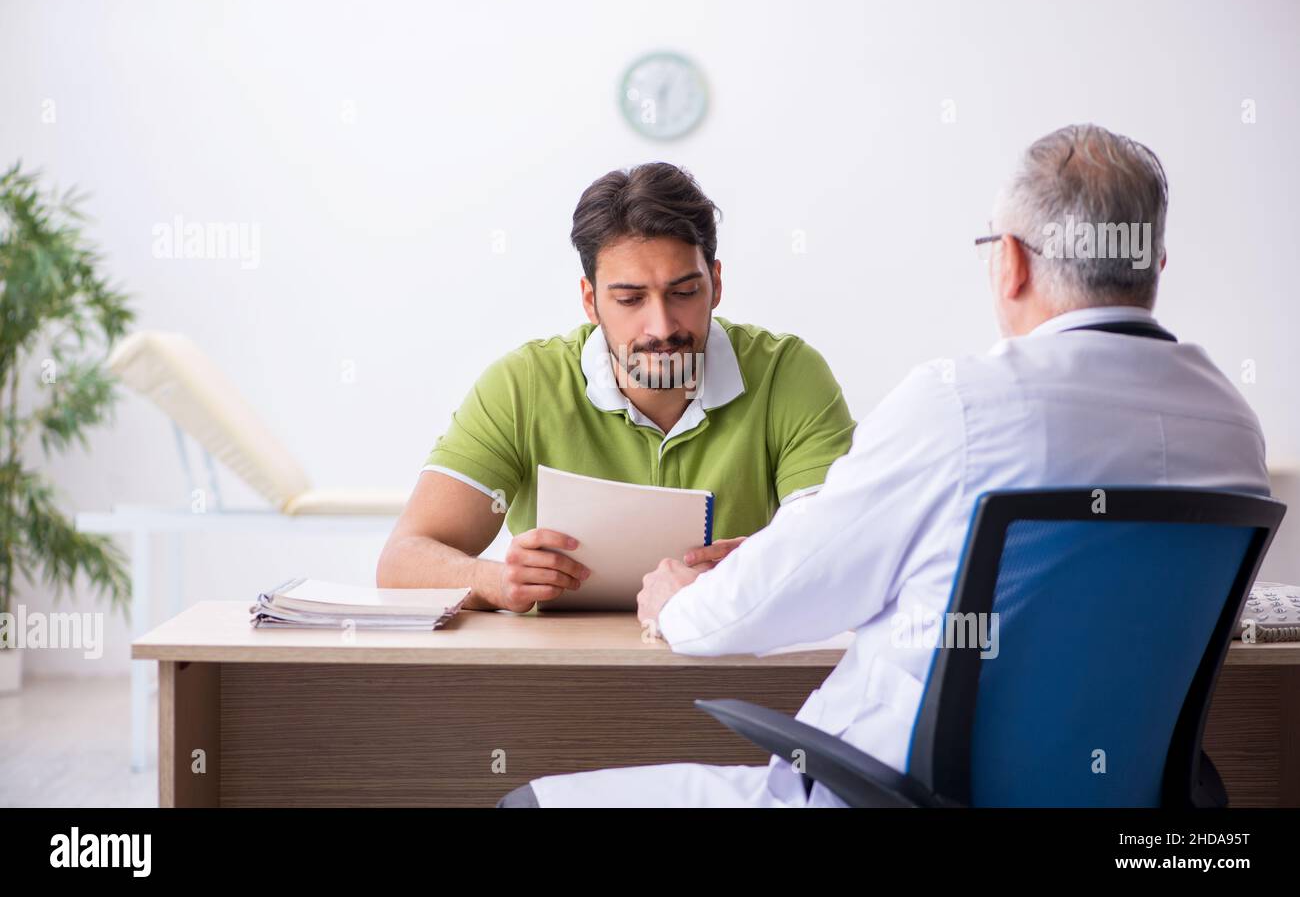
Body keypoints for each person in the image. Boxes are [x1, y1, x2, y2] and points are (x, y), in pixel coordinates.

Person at [501, 123, 1270, 807]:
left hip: (886, 791)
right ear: (1154, 261)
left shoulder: (962, 404)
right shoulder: (1233, 426)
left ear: (1009, 263)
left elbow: (755, 607)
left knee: (532, 802)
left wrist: (675, 600)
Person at [377, 162, 857, 613]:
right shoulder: (522, 385)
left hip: (727, 670)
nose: (661, 326)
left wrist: (750, 576)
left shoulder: (788, 376)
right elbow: (401, 563)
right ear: (590, 300)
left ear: (715, 282)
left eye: (684, 292)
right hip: (560, 679)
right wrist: (496, 580)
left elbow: (843, 557)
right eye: (630, 299)